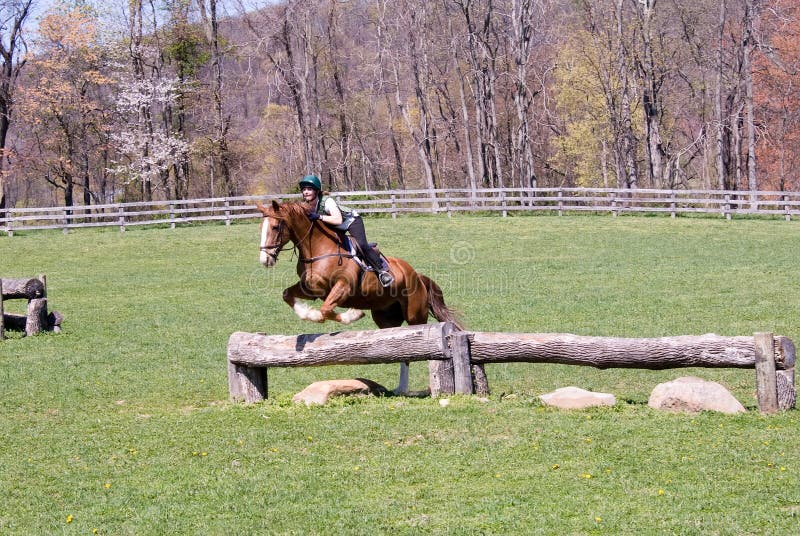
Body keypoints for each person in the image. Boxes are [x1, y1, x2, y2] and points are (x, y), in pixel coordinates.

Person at [299, 174, 395, 287]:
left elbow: (338, 220)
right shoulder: (307, 205)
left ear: (316, 190)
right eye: (304, 189)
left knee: (362, 245)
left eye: (309, 189)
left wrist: (319, 217)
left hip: (351, 222)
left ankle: (382, 272)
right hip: (335, 226)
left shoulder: (327, 201)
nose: (306, 192)